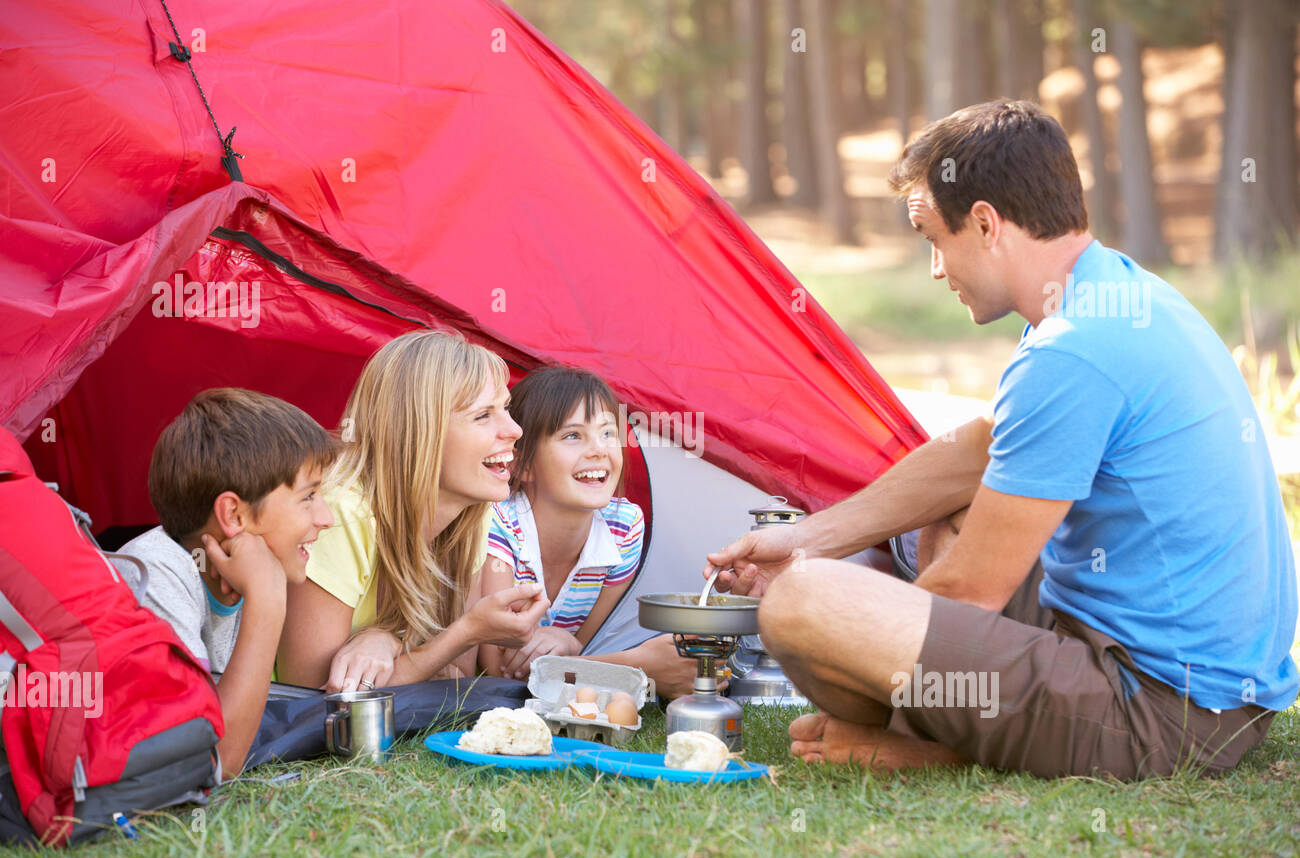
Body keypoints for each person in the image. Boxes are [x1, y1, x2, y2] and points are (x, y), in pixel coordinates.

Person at [708, 99, 1298, 780]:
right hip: (1208, 687)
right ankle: (963, 724)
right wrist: (810, 539)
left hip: (1165, 712)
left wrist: (838, 624)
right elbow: (980, 450)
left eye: (934, 237)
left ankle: (940, 744)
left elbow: (970, 591)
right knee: (932, 521)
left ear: (985, 223)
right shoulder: (1112, 295)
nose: (936, 268)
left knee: (801, 604)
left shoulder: (1073, 350)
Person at [276, 330, 549, 693]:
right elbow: (311, 695)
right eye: (483, 415)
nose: (514, 430)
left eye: (506, 409)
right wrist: (466, 632)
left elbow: (452, 675)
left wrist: (388, 638)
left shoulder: (474, 509)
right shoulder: (343, 512)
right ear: (420, 432)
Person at [117, 388, 336, 778]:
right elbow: (213, 762)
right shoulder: (155, 575)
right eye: (309, 497)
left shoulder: (247, 576)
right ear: (233, 514)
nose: (326, 517)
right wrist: (267, 603)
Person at [477, 365, 698, 697]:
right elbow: (498, 671)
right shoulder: (498, 523)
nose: (599, 449)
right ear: (522, 465)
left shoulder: (623, 528)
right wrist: (640, 666)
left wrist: (568, 642)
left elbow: (582, 646)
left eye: (608, 433)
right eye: (572, 436)